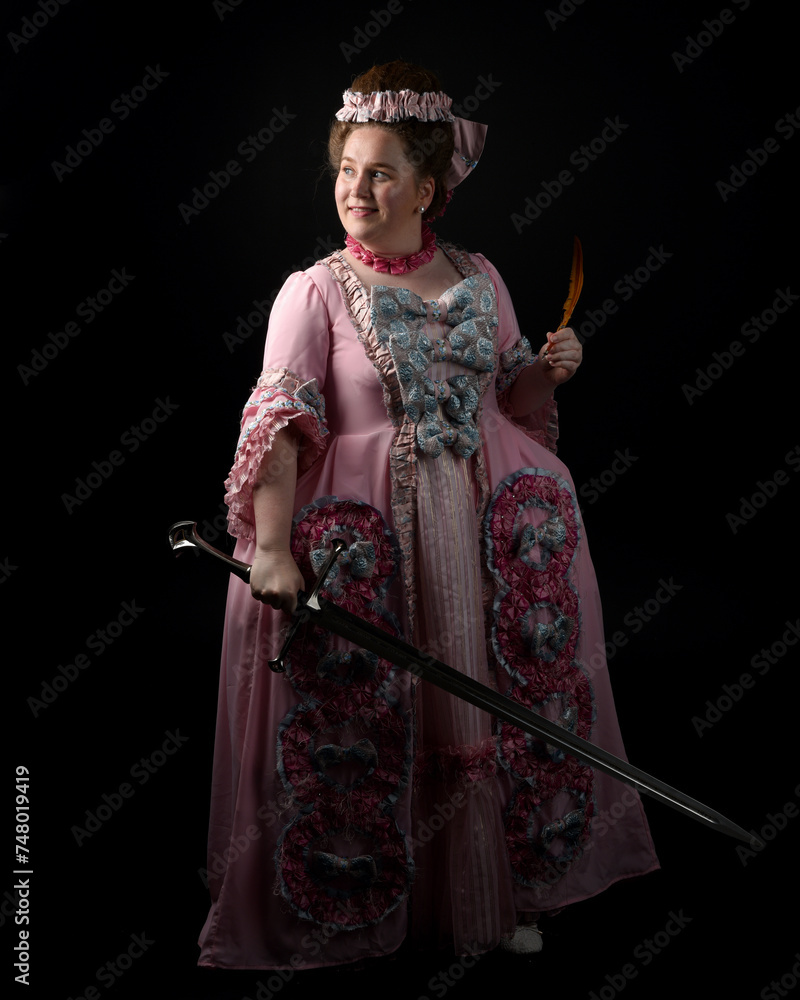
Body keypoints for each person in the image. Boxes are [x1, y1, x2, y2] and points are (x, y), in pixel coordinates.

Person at [197, 59, 659, 971]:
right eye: (345, 169)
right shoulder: (316, 290)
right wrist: (277, 548)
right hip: (374, 543)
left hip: (483, 538)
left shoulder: (480, 277)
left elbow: (507, 399)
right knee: (369, 726)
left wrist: (545, 370)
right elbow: (283, 425)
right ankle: (369, 911)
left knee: (496, 715)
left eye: (378, 172)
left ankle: (491, 897)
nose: (354, 190)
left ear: (429, 184)